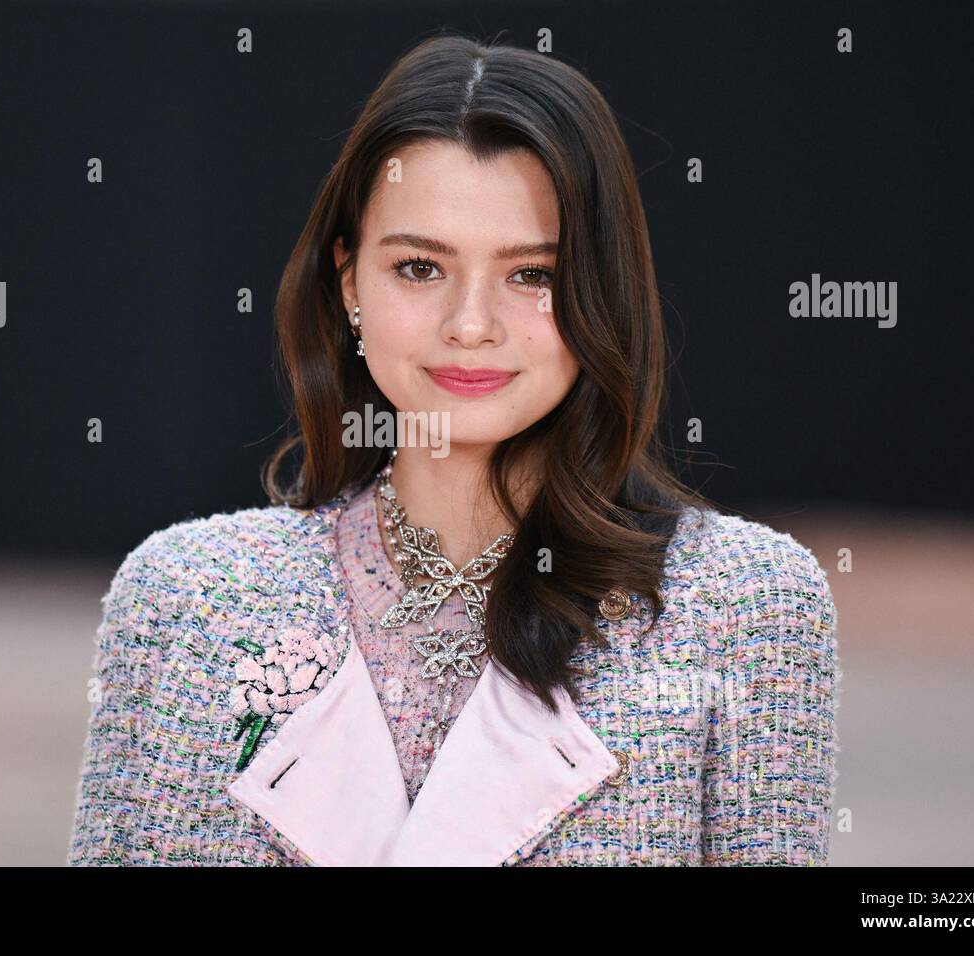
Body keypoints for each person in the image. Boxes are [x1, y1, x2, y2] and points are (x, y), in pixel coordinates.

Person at [67, 33, 839, 866]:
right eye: (420, 268)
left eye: (533, 275)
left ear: (602, 293)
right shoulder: (185, 597)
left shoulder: (739, 608)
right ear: (349, 280)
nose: (472, 325)